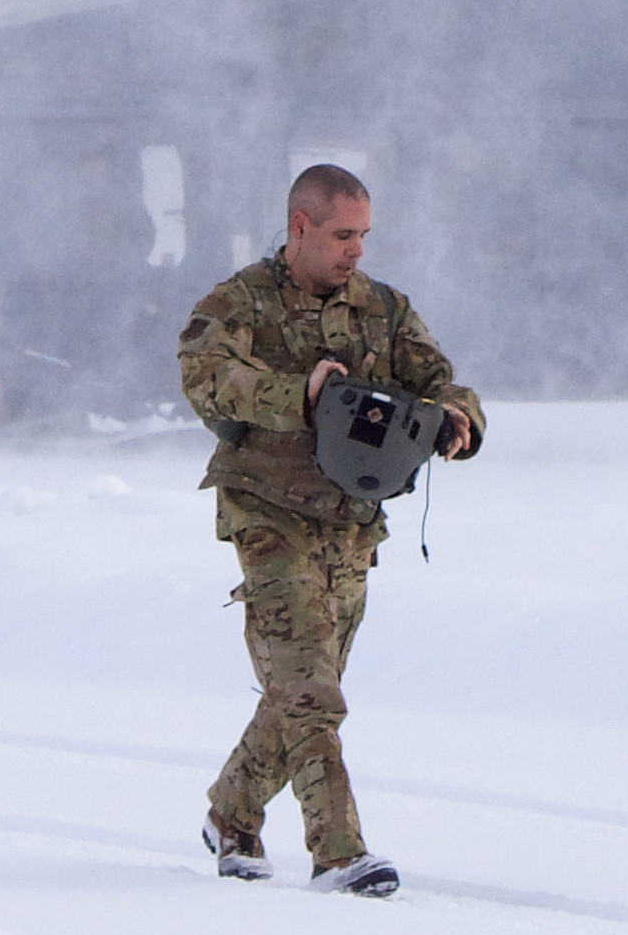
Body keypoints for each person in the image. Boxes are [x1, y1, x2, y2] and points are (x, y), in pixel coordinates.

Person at [177, 162, 483, 895]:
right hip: (269, 514)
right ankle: (339, 852)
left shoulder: (382, 309)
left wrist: (457, 417)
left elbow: (438, 375)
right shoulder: (240, 302)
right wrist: (300, 393)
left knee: (303, 690)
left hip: (350, 526)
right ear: (300, 227)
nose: (357, 251)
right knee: (311, 692)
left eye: (365, 236)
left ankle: (232, 813)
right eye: (344, 235)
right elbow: (204, 375)